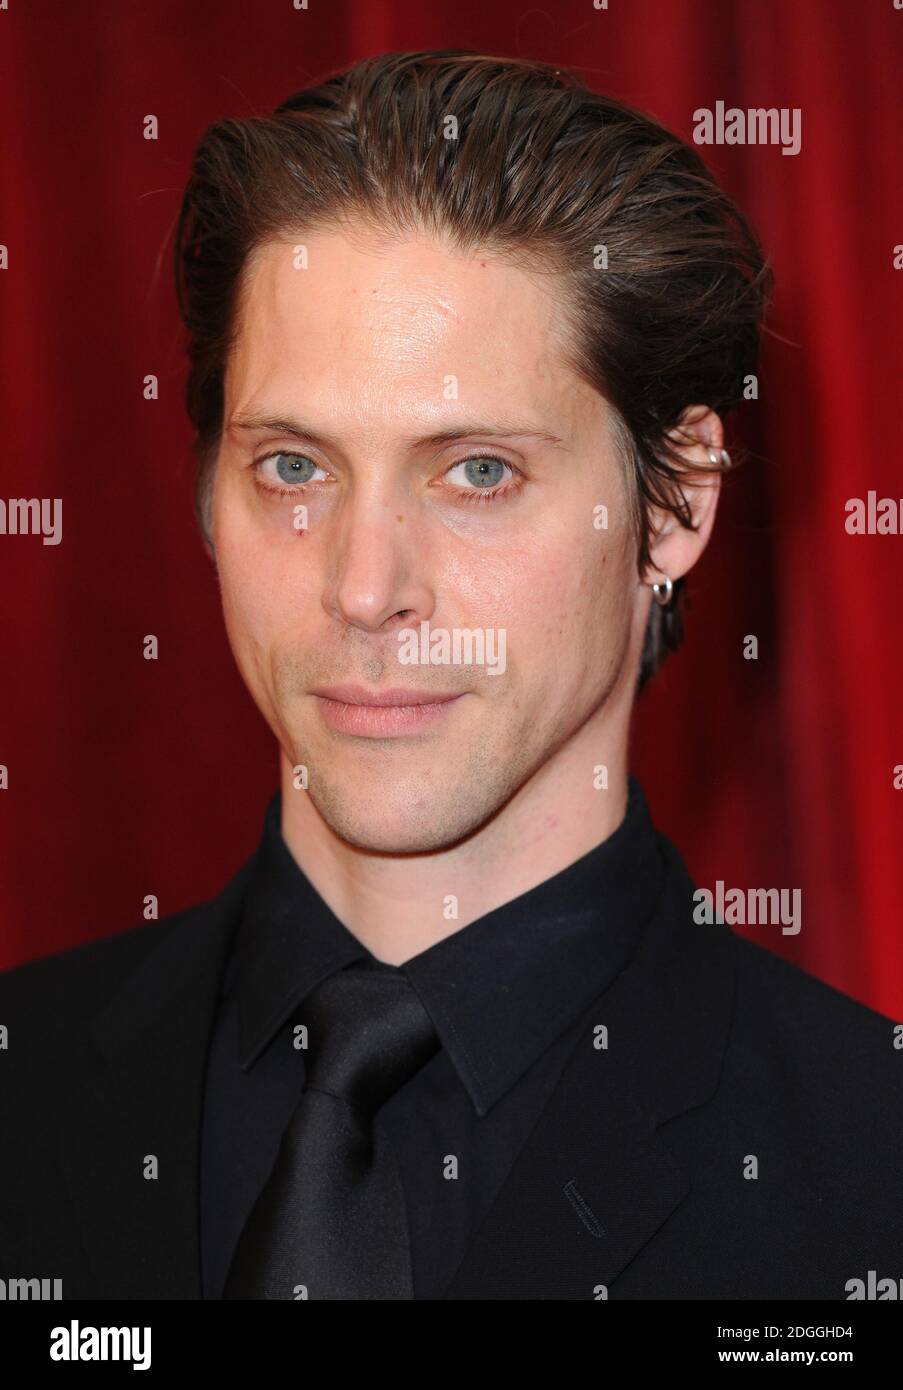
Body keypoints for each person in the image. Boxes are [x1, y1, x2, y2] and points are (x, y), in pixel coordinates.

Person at [1, 49, 901, 1302]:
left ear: (678, 501)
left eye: (476, 470)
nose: (365, 590)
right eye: (295, 468)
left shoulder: (873, 1178)